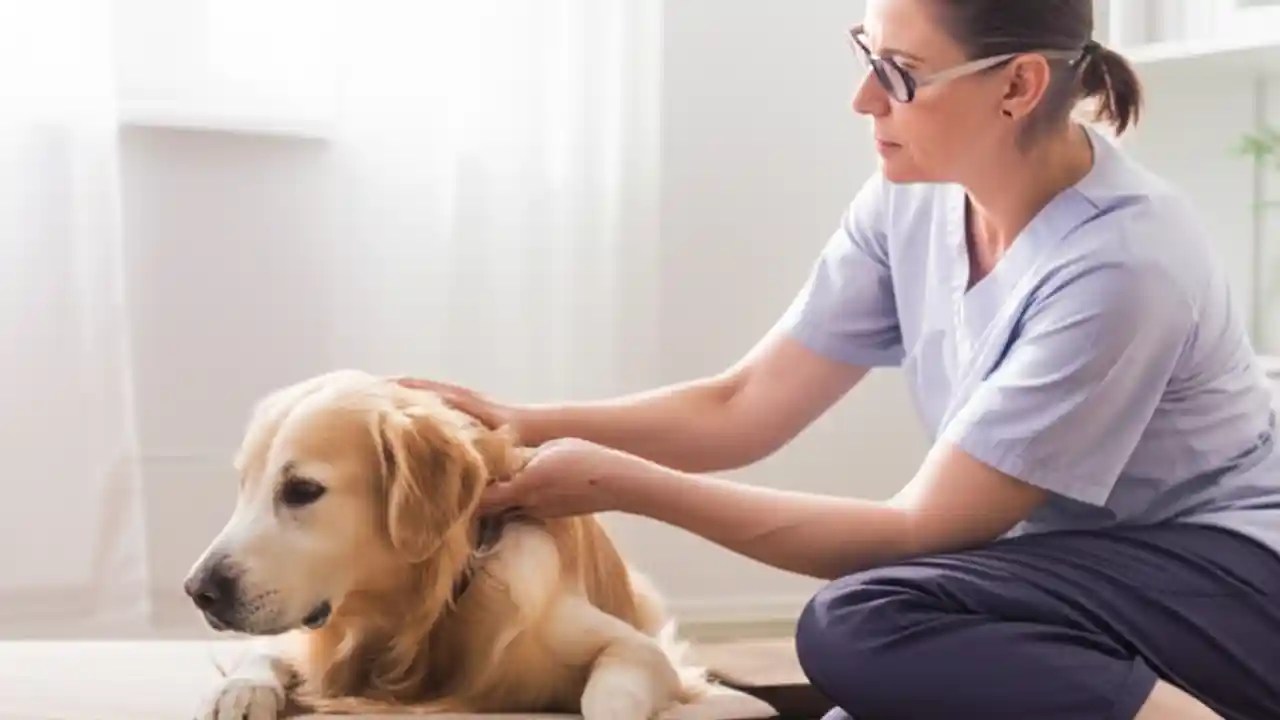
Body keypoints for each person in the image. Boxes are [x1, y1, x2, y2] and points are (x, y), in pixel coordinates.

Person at [399, 1, 1280, 717]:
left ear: (1018, 84)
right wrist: (525, 422)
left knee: (858, 621)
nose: (864, 98)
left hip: (1233, 580)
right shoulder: (915, 201)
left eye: (899, 73)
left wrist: (622, 484)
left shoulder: (1124, 263)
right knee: (866, 678)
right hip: (1075, 578)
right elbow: (743, 405)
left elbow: (919, 532)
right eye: (867, 51)